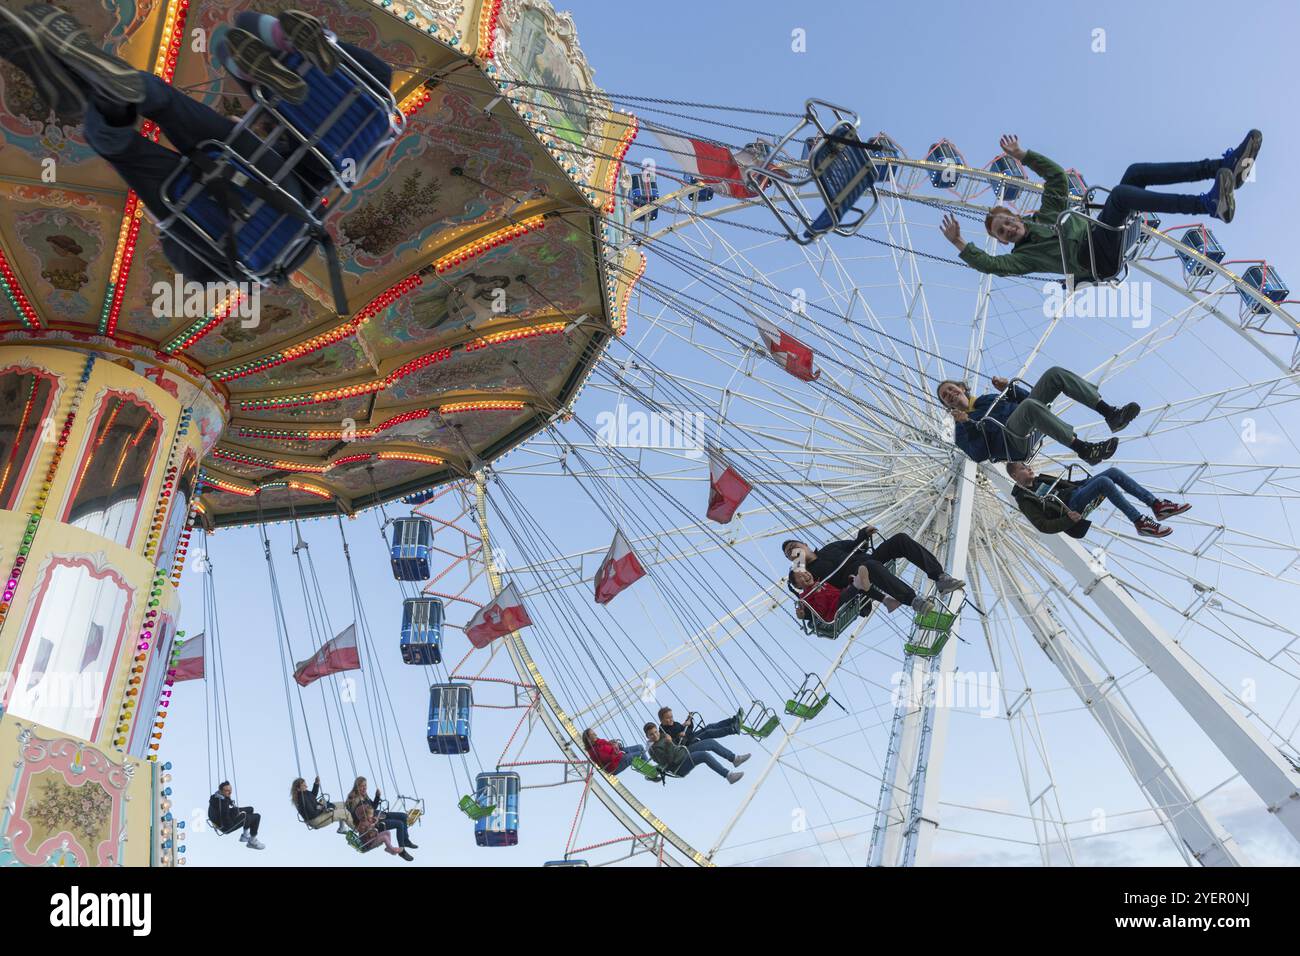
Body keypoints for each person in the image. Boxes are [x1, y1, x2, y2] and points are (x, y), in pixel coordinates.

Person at [0, 6, 392, 288]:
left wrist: (257, 131)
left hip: (278, 180)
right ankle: (97, 100)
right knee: (119, 147)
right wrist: (168, 234)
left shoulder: (312, 215)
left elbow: (307, 171)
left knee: (168, 100)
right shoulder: (248, 270)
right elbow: (188, 261)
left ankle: (286, 45)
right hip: (213, 214)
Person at [940, 132, 1261, 282]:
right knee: (1121, 195)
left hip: (1103, 237)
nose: (1008, 228)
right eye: (1003, 232)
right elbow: (993, 267)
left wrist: (1023, 156)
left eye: (1007, 222)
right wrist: (959, 243)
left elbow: (1056, 178)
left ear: (1016, 216)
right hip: (1095, 260)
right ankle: (1208, 205)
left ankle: (1225, 166)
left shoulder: (1048, 215)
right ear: (1003, 241)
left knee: (1137, 172)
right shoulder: (1022, 259)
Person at [936, 368, 1139, 466]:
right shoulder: (960, 431)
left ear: (962, 388)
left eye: (951, 389)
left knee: (1054, 374)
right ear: (947, 406)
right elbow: (978, 455)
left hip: (1028, 417)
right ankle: (1084, 449)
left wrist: (1010, 389)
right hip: (1012, 442)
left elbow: (1026, 400)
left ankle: (1111, 414)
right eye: (945, 397)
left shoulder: (987, 398)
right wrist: (967, 424)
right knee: (1030, 407)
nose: (950, 394)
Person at [782, 526, 963, 616]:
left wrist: (864, 534)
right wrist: (805, 616)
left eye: (793, 546)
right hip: (856, 579)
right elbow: (809, 597)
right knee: (868, 568)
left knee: (900, 539)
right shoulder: (809, 575)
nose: (792, 551)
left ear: (804, 544)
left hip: (868, 559)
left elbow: (855, 545)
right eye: (789, 554)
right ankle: (913, 600)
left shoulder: (830, 548)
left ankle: (940, 577)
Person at [1007, 461, 1189, 539]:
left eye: (1027, 465)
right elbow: (1043, 525)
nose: (1029, 468)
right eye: (1023, 468)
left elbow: (1069, 484)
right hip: (1069, 508)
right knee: (1104, 482)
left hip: (1076, 493)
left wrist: (1088, 483)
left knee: (1112, 473)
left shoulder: (1041, 479)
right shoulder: (1025, 499)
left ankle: (1157, 505)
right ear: (1015, 476)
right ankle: (1140, 522)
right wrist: (1068, 519)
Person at [644, 724, 746, 784]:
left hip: (683, 752)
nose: (655, 735)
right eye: (651, 734)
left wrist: (680, 736)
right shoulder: (653, 750)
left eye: (656, 732)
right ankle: (729, 776)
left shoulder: (663, 736)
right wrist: (669, 743)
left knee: (709, 742)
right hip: (679, 765)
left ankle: (734, 759)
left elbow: (676, 744)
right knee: (703, 755)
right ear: (647, 736)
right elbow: (669, 760)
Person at [345, 776, 418, 852]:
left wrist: (377, 796)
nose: (364, 788)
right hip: (374, 822)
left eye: (365, 785)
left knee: (403, 816)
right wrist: (370, 821)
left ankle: (406, 840)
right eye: (362, 786)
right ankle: (402, 850)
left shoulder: (365, 796)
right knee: (399, 824)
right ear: (357, 787)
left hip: (380, 814)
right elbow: (358, 817)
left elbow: (373, 807)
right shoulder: (356, 800)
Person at [209, 781, 264, 849]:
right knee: (256, 816)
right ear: (221, 791)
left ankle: (245, 835)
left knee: (250, 809)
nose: (230, 792)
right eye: (227, 791)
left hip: (221, 817)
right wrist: (238, 816)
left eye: (230, 790)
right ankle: (252, 841)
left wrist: (231, 803)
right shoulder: (223, 805)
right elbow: (227, 822)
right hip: (225, 826)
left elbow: (226, 800)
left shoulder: (216, 796)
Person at [658, 706, 743, 746]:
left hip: (690, 737)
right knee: (708, 733)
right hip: (687, 744)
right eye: (667, 718)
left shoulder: (674, 723)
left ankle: (733, 720)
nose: (671, 719)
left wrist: (688, 721)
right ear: (661, 720)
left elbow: (684, 729)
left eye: (671, 717)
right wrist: (678, 735)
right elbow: (671, 742)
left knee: (709, 726)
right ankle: (733, 729)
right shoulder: (662, 731)